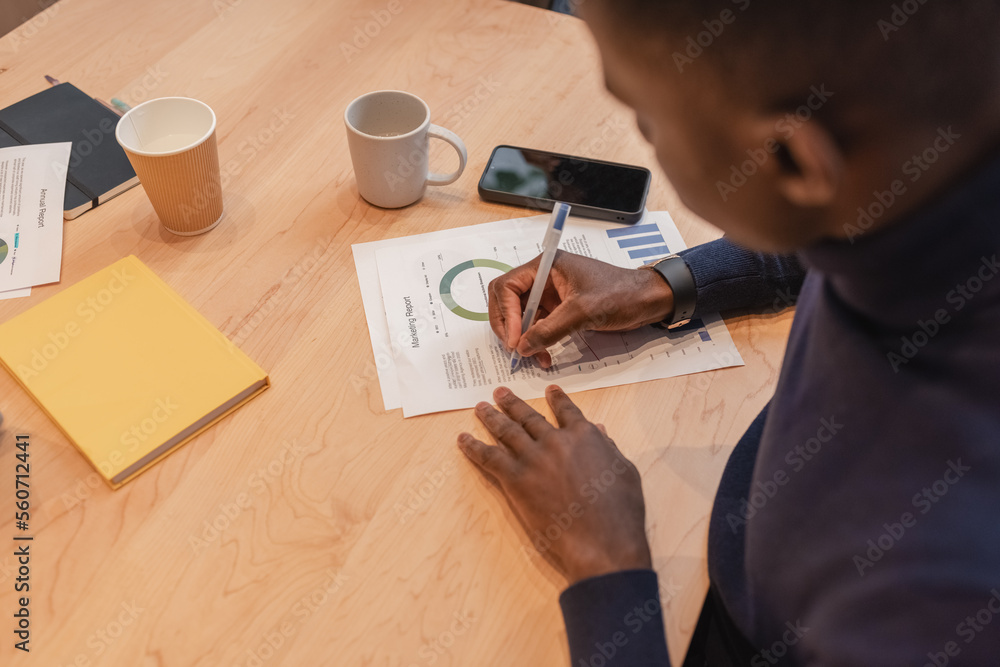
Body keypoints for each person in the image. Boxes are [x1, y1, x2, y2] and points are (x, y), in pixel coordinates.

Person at [455, 0, 1000, 665]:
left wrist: (608, 568)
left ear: (795, 161)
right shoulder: (939, 158)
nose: (643, 130)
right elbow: (852, 214)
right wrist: (664, 284)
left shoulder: (926, 590)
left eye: (648, 122)